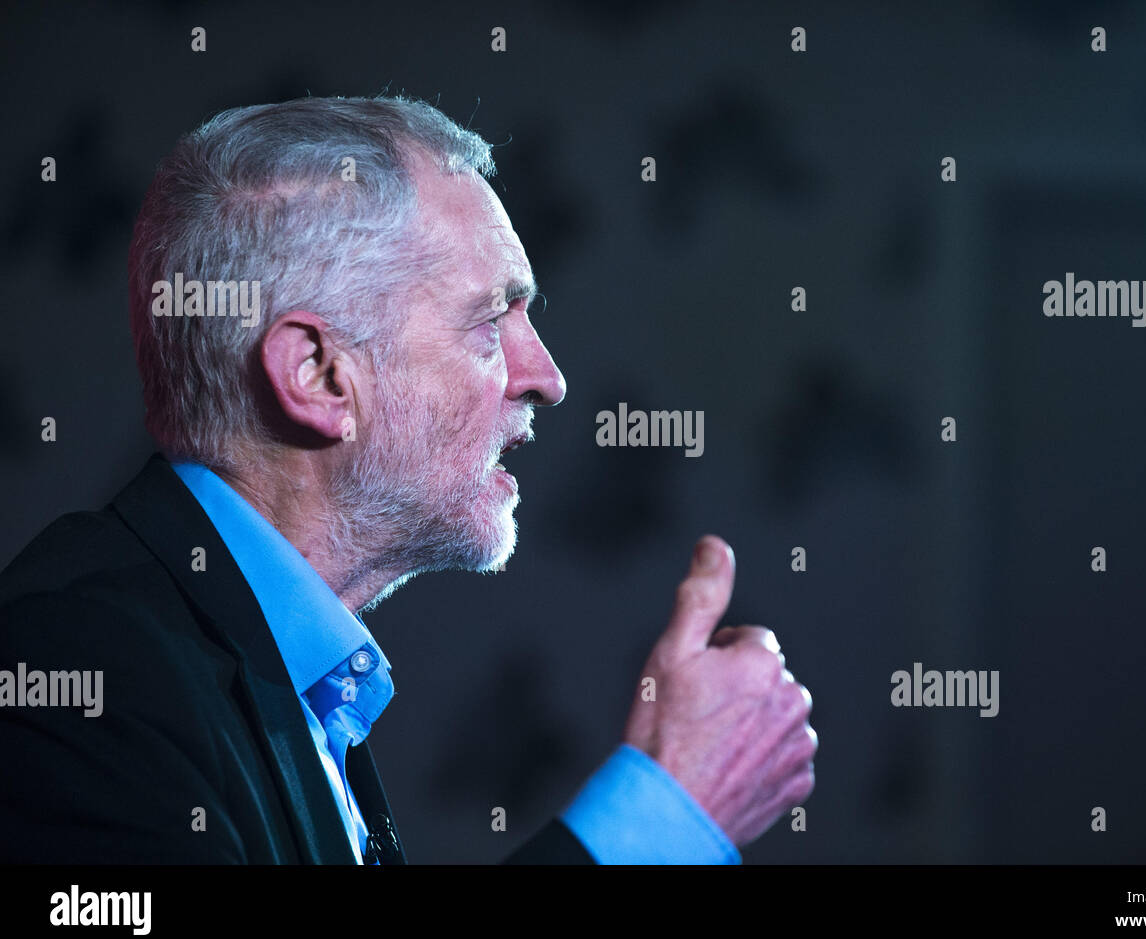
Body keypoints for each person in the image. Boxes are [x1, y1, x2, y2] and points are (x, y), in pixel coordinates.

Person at [0, 96, 817, 864]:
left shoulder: (287, 675)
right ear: (319, 376)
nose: (547, 376)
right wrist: (666, 813)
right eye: (491, 320)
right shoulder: (79, 670)